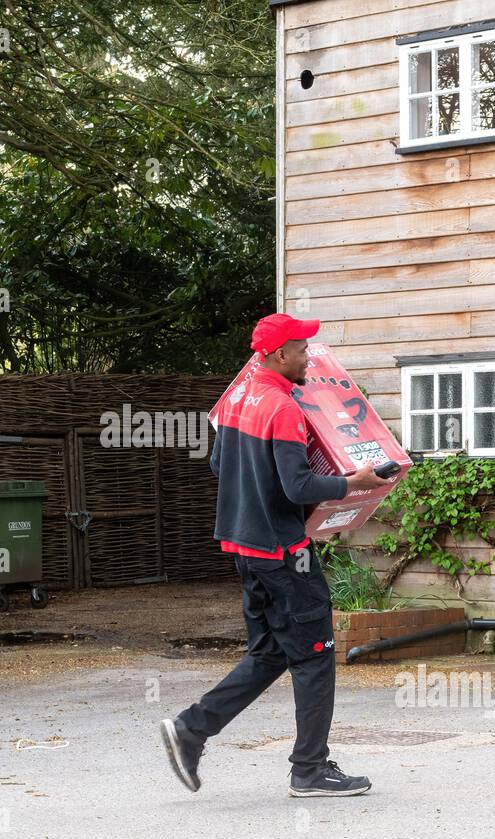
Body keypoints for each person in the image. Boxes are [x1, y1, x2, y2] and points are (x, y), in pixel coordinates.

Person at [160, 312, 396, 797]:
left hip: (244, 547)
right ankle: (310, 770)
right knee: (315, 655)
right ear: (277, 354)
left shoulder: (236, 402)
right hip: (286, 553)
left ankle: (191, 730)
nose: (308, 356)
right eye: (301, 349)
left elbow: (217, 465)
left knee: (270, 652)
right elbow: (297, 487)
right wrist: (355, 481)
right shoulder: (284, 409)